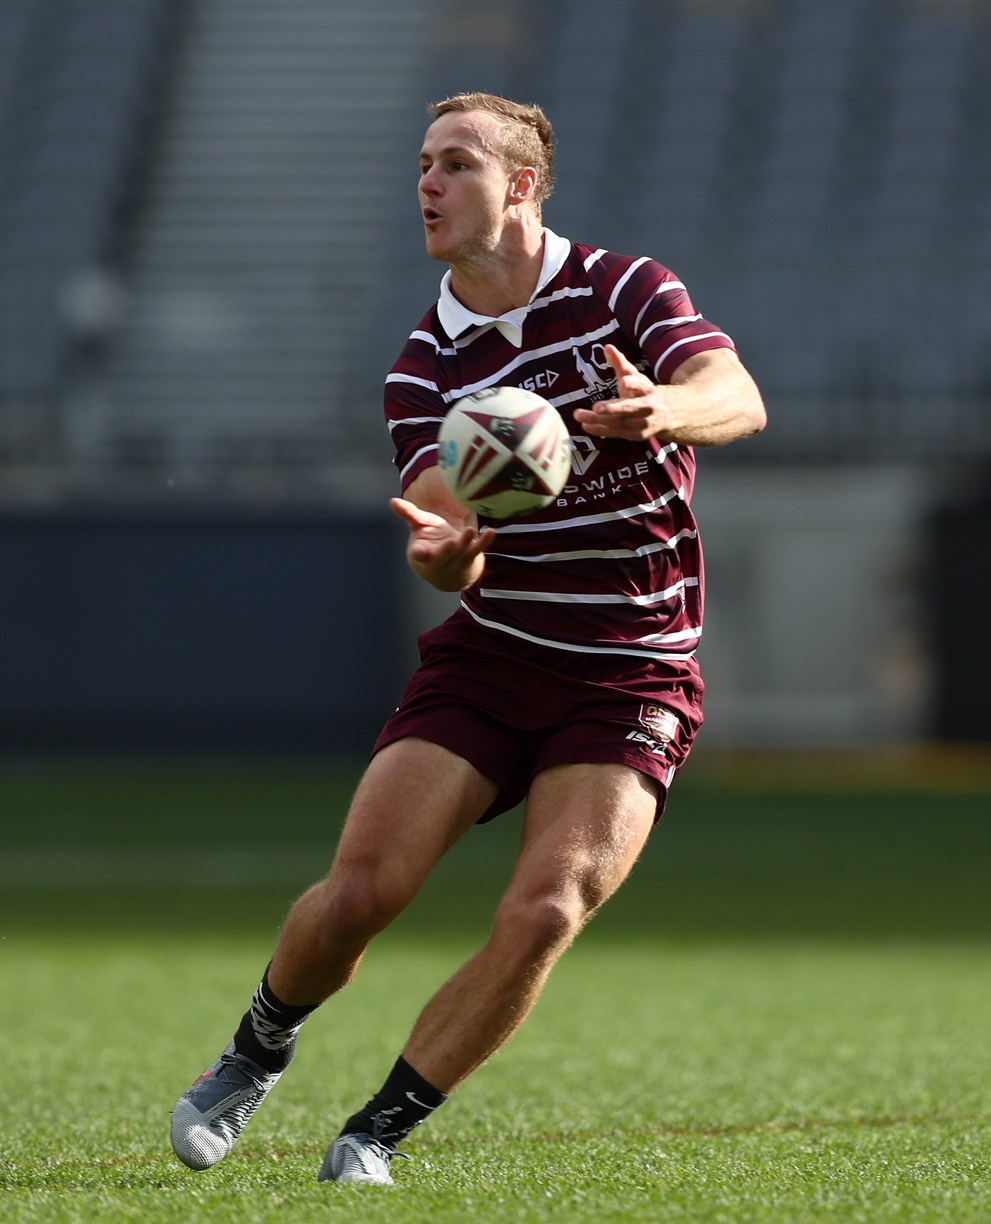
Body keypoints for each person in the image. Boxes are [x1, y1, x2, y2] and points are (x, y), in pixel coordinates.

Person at [170, 91, 766, 1186]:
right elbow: (454, 535)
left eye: (455, 165)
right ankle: (254, 1053)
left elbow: (735, 393)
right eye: (423, 166)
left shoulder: (624, 289)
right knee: (362, 892)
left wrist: (664, 413)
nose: (428, 187)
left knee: (545, 910)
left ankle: (376, 1131)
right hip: (494, 657)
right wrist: (448, 557)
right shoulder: (423, 369)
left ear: (522, 185)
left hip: (634, 666)